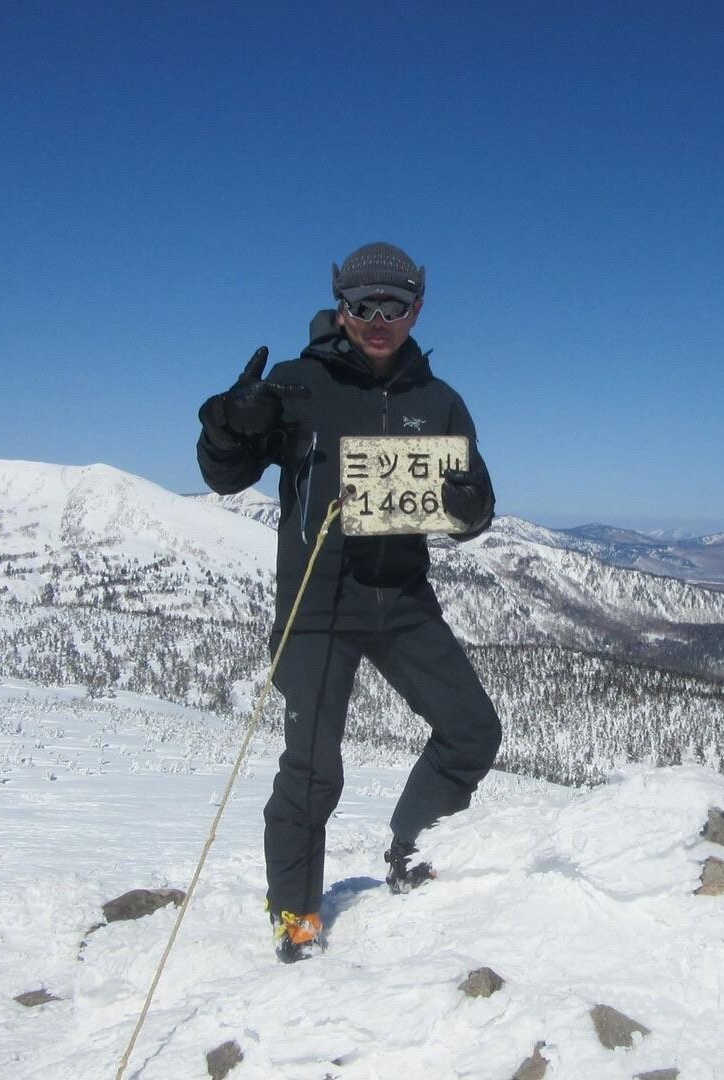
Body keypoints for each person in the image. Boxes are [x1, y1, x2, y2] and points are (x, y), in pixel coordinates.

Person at [195, 242, 502, 962]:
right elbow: (226, 475)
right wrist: (226, 424)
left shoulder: (440, 401)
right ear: (341, 307)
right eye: (363, 304)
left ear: (417, 309)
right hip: (316, 605)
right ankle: (296, 916)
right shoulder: (297, 384)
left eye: (394, 305)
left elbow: (473, 507)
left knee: (471, 731)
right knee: (312, 768)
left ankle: (411, 853)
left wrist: (471, 507)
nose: (377, 320)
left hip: (402, 599)